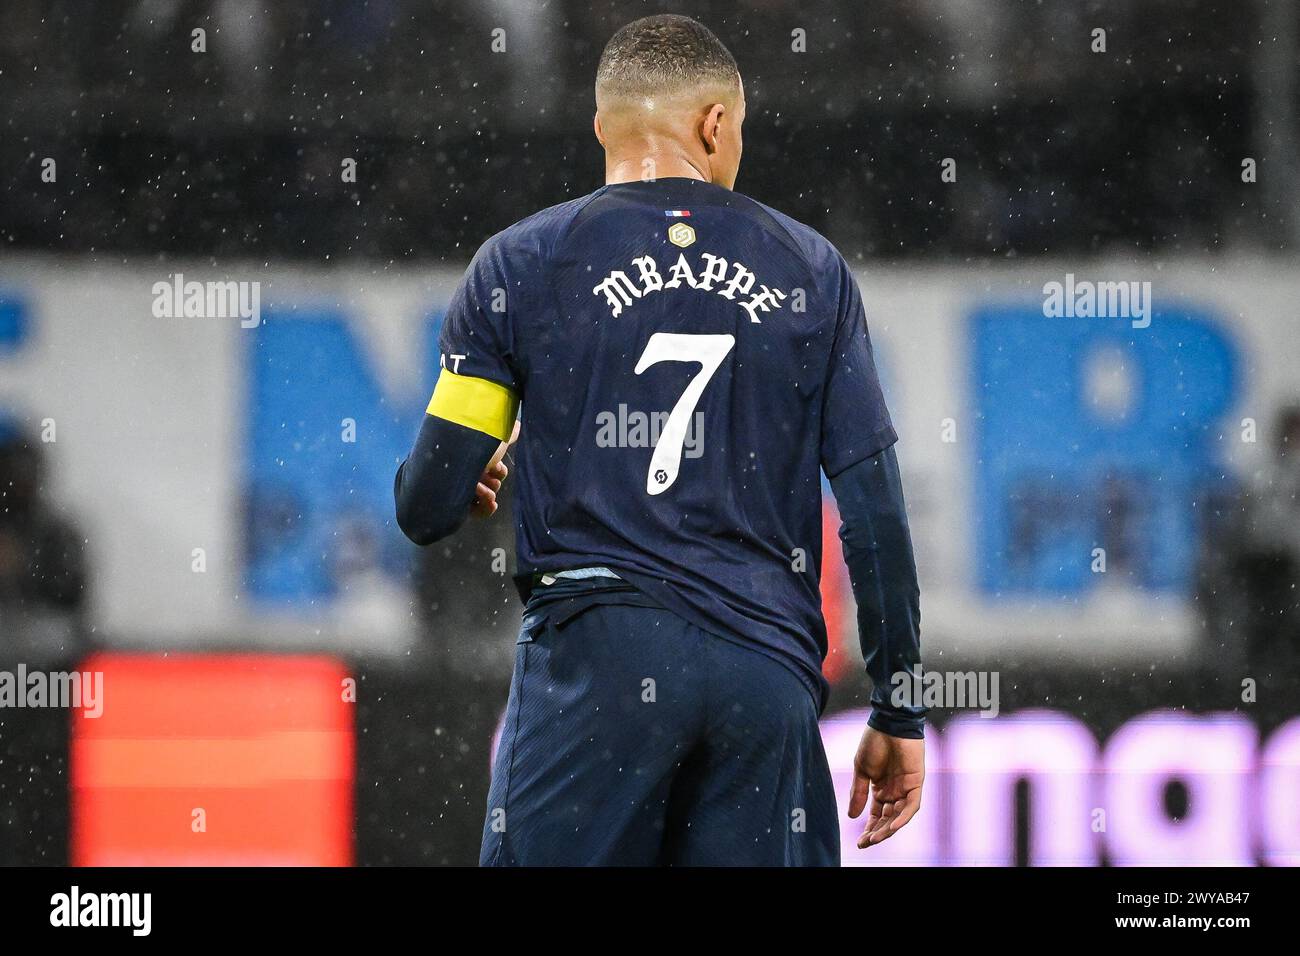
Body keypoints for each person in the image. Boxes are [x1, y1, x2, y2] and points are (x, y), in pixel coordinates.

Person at [394, 14, 924, 866]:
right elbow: (875, 513)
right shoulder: (812, 271)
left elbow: (427, 503)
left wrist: (471, 471)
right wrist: (898, 706)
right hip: (765, 678)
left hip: (596, 667)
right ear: (715, 124)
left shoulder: (517, 264)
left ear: (603, 127)